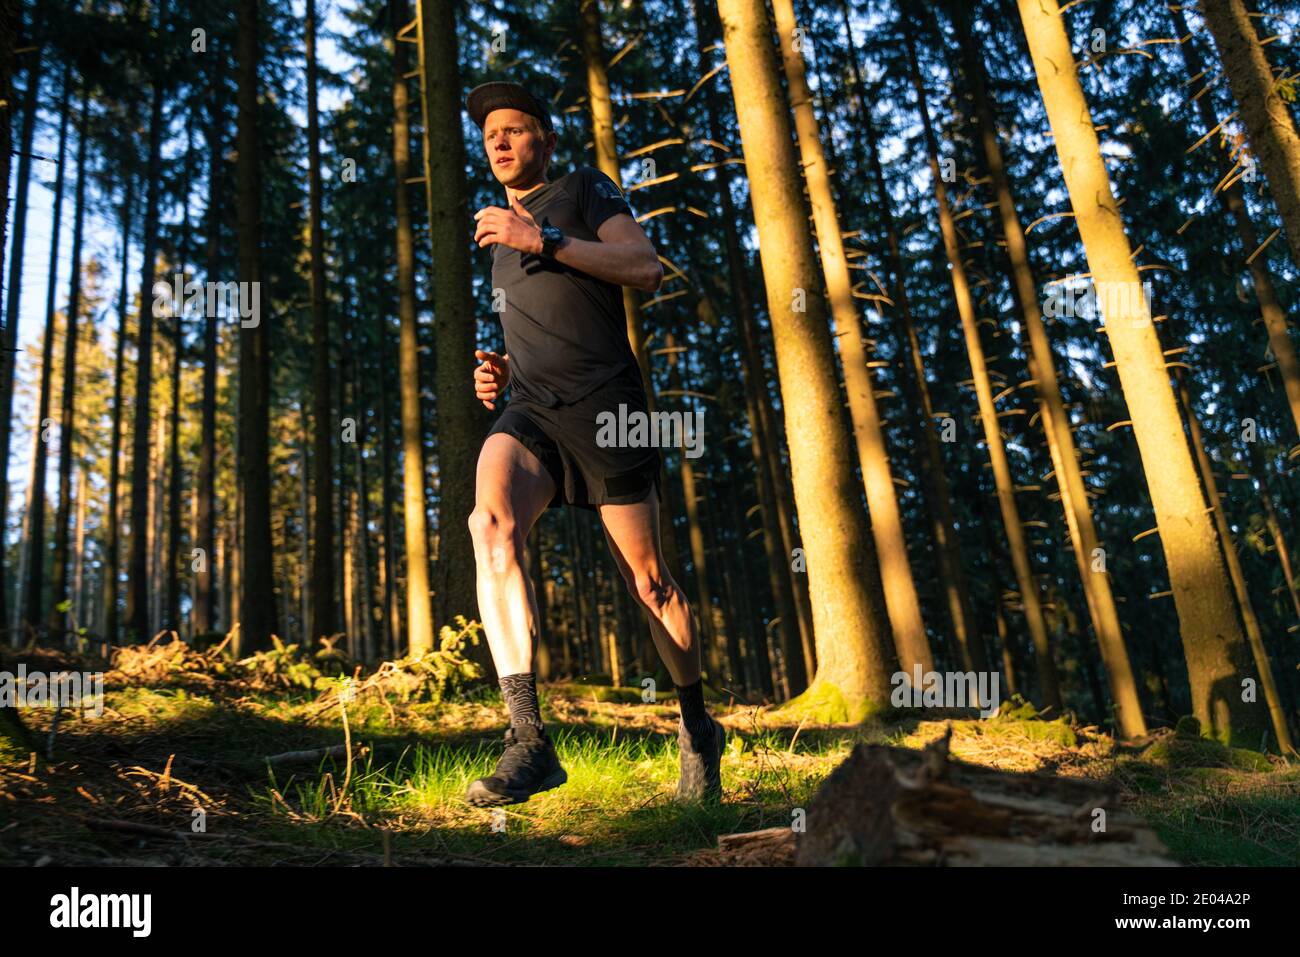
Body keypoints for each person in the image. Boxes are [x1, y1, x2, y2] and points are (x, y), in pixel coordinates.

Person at [461, 80, 725, 807]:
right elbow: (554, 320)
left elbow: (644, 268)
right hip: (533, 412)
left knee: (650, 583)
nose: (502, 142)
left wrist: (540, 237)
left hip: (611, 412)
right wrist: (503, 372)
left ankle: (698, 724)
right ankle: (529, 740)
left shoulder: (583, 190)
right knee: (489, 523)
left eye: (516, 130)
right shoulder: (495, 241)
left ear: (544, 139)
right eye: (491, 135)